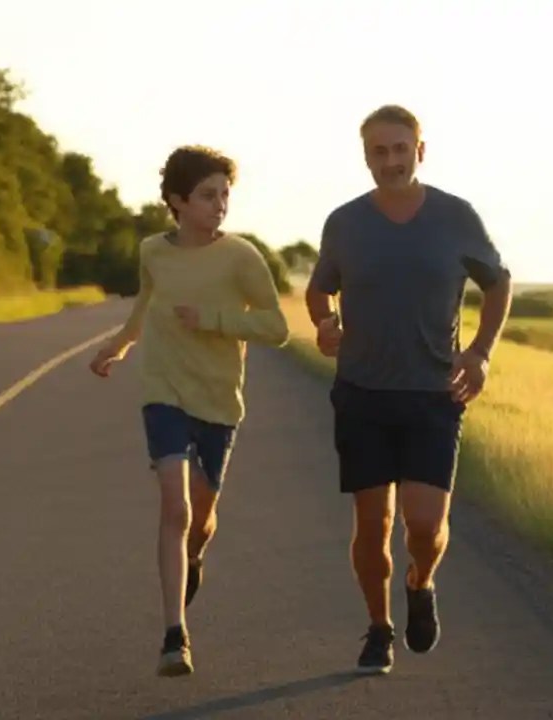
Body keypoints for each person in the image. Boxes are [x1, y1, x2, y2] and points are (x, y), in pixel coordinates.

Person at [304, 104, 514, 675]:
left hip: (433, 394)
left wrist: (480, 353)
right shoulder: (345, 223)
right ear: (366, 156)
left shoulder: (456, 218)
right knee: (371, 526)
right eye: (379, 151)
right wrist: (324, 324)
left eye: (401, 149)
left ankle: (422, 583)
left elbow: (498, 285)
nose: (391, 161)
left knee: (423, 525)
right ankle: (379, 629)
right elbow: (320, 290)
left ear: (420, 151)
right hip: (362, 393)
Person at [89, 145, 290, 677]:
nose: (220, 204)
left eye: (225, 194)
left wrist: (214, 318)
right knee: (174, 508)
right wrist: (118, 346)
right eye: (207, 195)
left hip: (219, 400)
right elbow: (143, 308)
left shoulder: (242, 258)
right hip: (164, 391)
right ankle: (175, 635)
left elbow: (277, 328)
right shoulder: (153, 250)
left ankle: (195, 557)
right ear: (177, 201)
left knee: (199, 518)